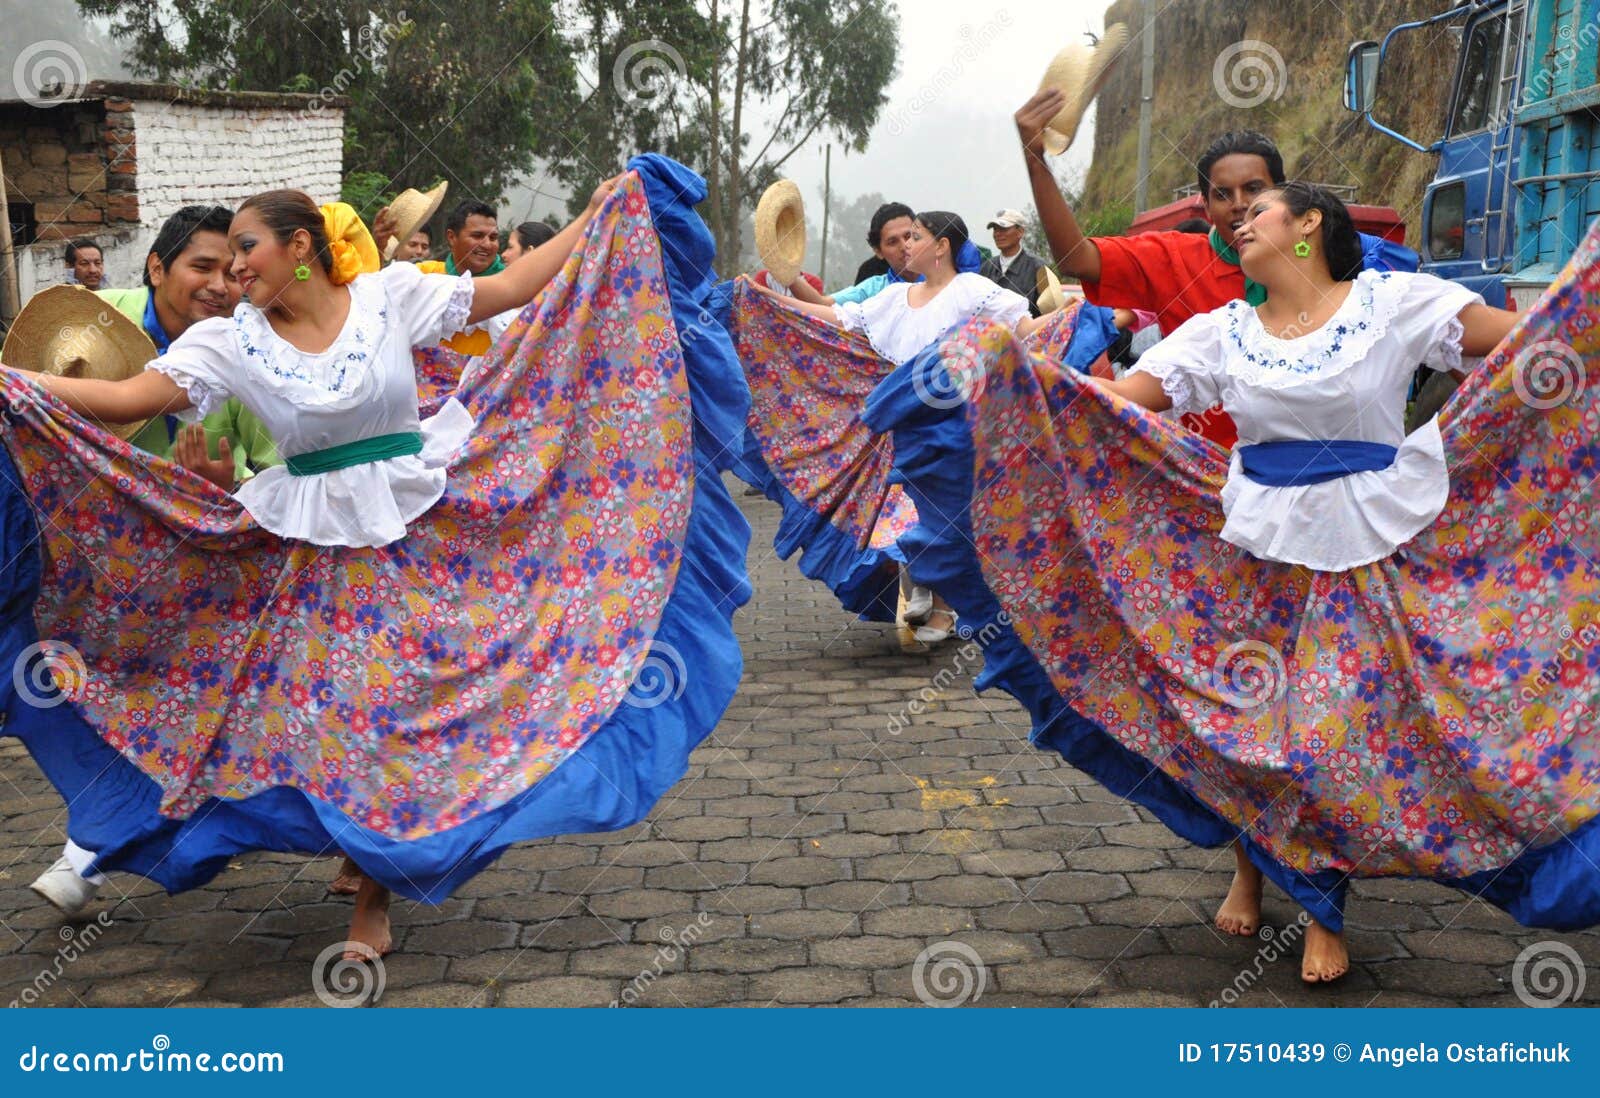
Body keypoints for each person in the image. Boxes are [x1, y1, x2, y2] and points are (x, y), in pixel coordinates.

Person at [7, 162, 747, 961]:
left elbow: (512, 288)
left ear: (301, 247)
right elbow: (129, 401)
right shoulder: (227, 340)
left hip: (412, 537)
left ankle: (372, 902)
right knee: (333, 723)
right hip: (305, 559)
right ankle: (341, 851)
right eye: (221, 262)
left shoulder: (388, 295)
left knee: (394, 719)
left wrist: (596, 217)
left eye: (246, 250)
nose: (233, 272)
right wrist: (13, 382)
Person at [914, 182, 1532, 983]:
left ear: (1310, 224)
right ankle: (1255, 869)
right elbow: (1129, 398)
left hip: (1368, 553)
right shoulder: (1224, 331)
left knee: (1328, 733)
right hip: (1251, 554)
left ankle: (1319, 904)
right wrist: (1025, 379)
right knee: (1249, 729)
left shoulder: (1391, 302)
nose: (1241, 222)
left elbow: (1523, 338)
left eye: (1261, 210)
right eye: (1236, 214)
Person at [27, 205, 282, 915]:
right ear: (156, 268)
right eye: (202, 267)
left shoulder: (247, 350)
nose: (221, 286)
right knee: (59, 688)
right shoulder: (87, 317)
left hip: (192, 577)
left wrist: (223, 486)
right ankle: (100, 837)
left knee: (185, 702)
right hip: (72, 558)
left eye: (234, 272)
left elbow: (273, 473)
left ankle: (95, 849)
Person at [750, 210, 1041, 643]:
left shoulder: (972, 291)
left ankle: (941, 608)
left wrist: (1065, 321)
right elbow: (833, 317)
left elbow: (1022, 327)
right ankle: (919, 584)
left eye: (916, 236)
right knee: (902, 511)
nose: (907, 245)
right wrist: (769, 300)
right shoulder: (891, 298)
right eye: (901, 239)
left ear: (941, 247)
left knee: (944, 513)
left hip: (954, 425)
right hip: (902, 427)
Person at [788, 202, 919, 308]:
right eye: (892, 242)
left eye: (909, 236)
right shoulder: (872, 290)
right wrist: (785, 269)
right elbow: (822, 304)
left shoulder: (939, 277)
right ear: (878, 252)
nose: (904, 246)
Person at [979, 209, 1046, 316]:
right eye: (995, 229)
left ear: (1020, 232)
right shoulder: (986, 268)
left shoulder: (1038, 268)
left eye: (1003, 229)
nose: (997, 234)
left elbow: (1048, 311)